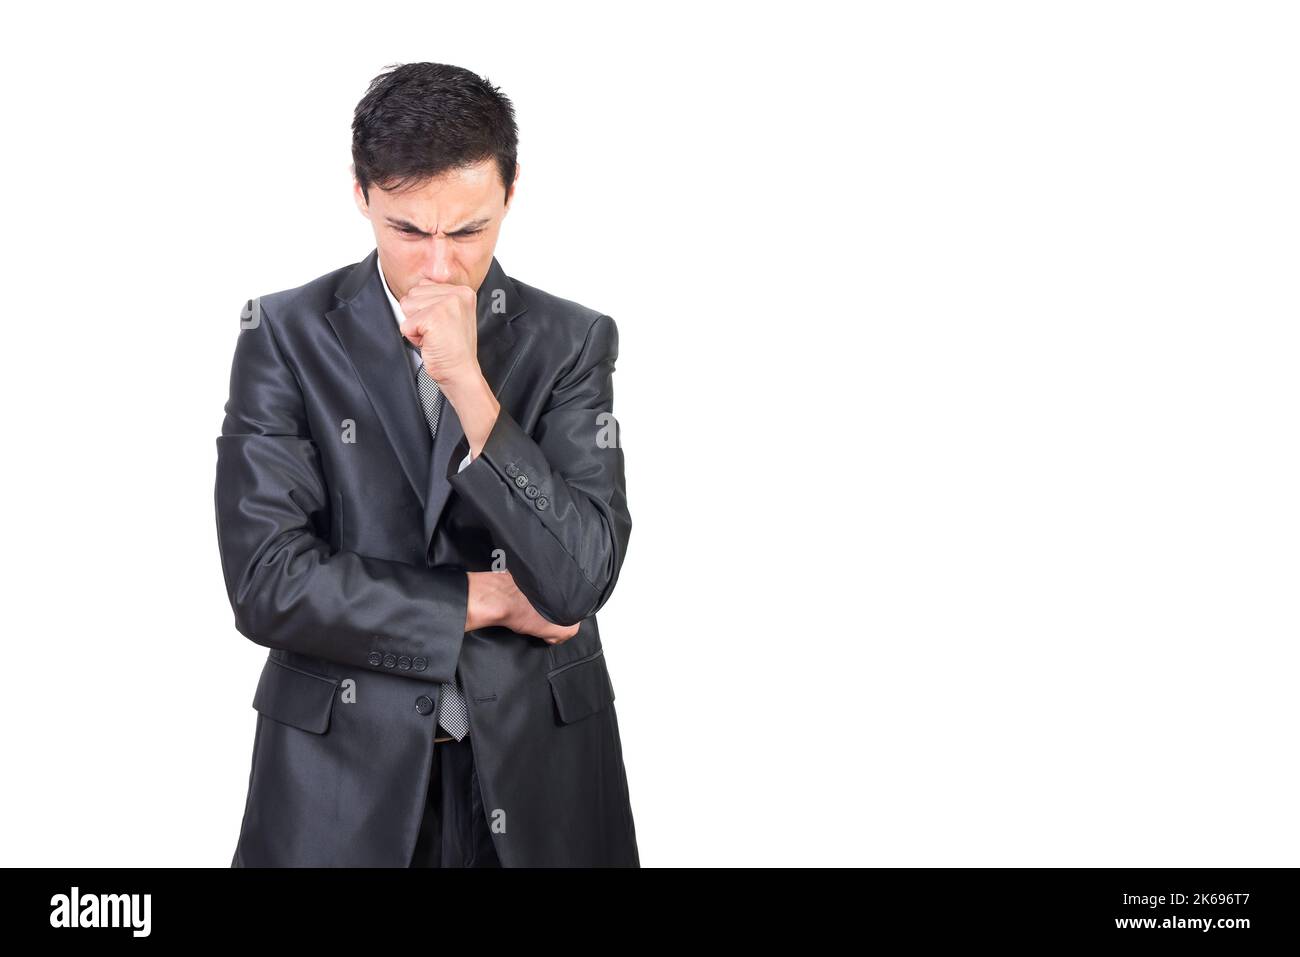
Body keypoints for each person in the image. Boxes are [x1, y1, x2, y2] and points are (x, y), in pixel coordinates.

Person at [215, 61, 637, 867]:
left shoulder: (573, 342)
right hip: (341, 781)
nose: (440, 267)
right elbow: (267, 580)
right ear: (362, 195)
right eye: (409, 231)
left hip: (537, 773)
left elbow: (581, 577)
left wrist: (470, 388)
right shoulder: (283, 334)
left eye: (468, 231)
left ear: (510, 196)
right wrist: (480, 598)